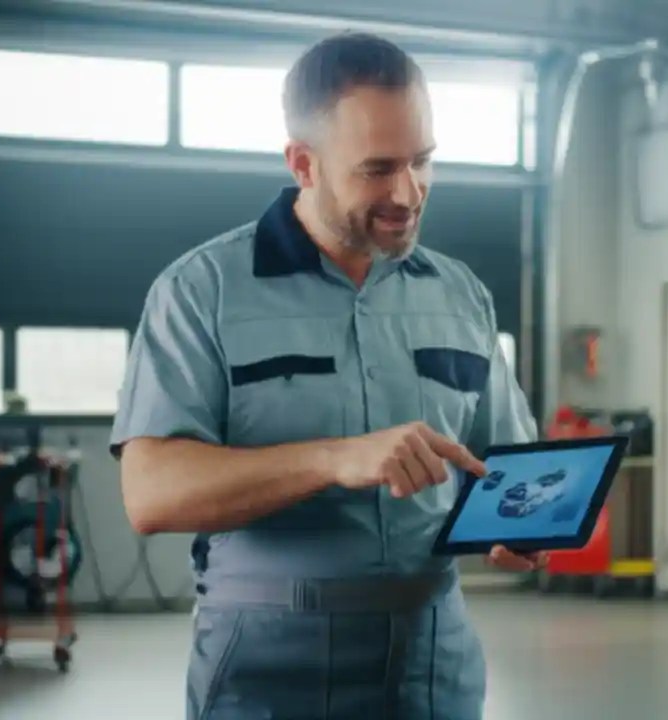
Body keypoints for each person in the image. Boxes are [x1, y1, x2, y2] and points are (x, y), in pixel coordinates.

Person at [110, 32, 541, 720]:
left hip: (436, 664)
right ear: (303, 164)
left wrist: (533, 522)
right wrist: (337, 458)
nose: (409, 192)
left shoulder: (460, 294)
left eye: (423, 161)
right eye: (377, 169)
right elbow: (151, 493)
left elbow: (510, 463)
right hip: (267, 667)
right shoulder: (202, 291)